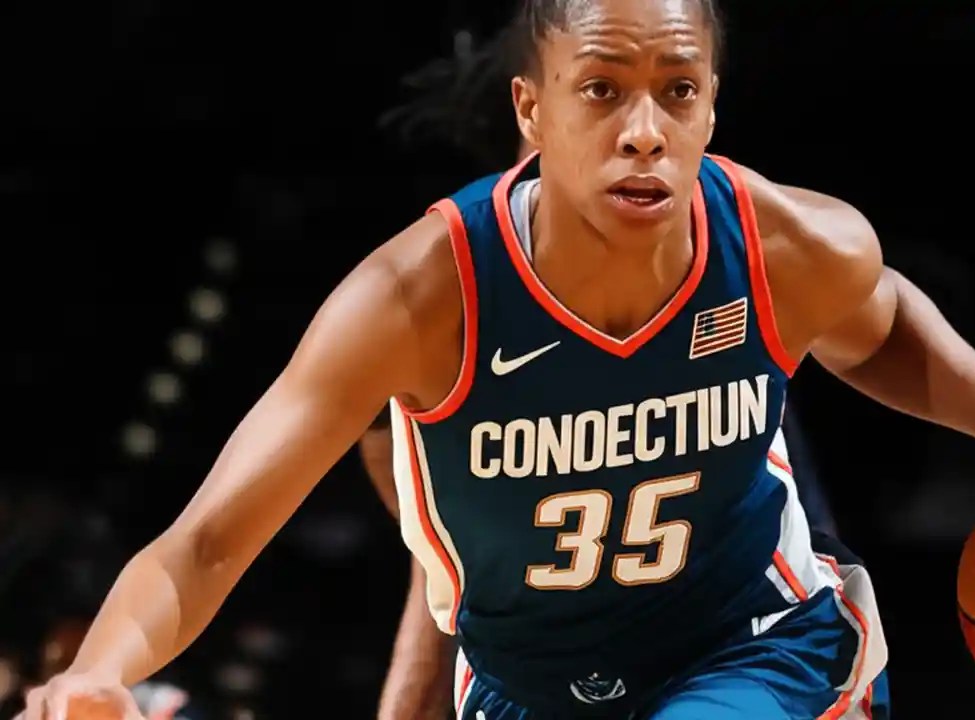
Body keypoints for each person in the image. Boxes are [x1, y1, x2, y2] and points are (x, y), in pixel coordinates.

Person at [22, 0, 975, 718]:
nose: (644, 129)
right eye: (601, 91)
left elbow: (879, 313)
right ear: (531, 110)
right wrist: (100, 675)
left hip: (761, 647)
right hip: (528, 685)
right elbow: (210, 541)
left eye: (677, 92)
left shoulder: (786, 244)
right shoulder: (412, 299)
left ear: (710, 107)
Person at [364, 30, 882, 720]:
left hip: (751, 640)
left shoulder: (729, 266)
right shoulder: (431, 318)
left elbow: (884, 306)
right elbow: (434, 581)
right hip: (553, 675)